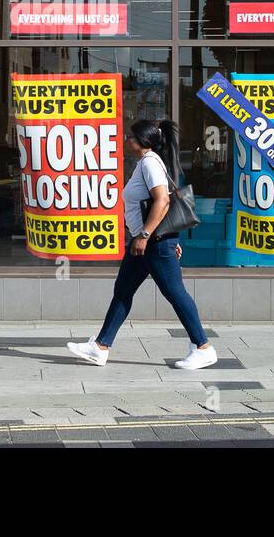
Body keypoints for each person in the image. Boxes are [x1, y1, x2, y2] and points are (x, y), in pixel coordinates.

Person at [67, 119, 217, 370]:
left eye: (129, 137)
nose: (126, 140)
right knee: (123, 289)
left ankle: (203, 347)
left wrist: (145, 236)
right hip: (147, 242)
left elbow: (162, 202)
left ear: (141, 142)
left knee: (175, 292)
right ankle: (100, 347)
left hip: (152, 243)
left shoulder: (150, 163)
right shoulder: (147, 163)